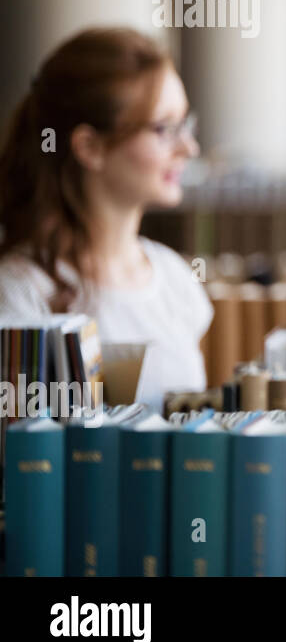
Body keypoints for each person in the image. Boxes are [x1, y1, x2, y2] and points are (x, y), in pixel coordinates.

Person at [0, 27, 212, 410]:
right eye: (164, 129)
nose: (189, 147)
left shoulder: (177, 282)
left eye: (186, 124)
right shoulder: (20, 295)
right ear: (91, 147)